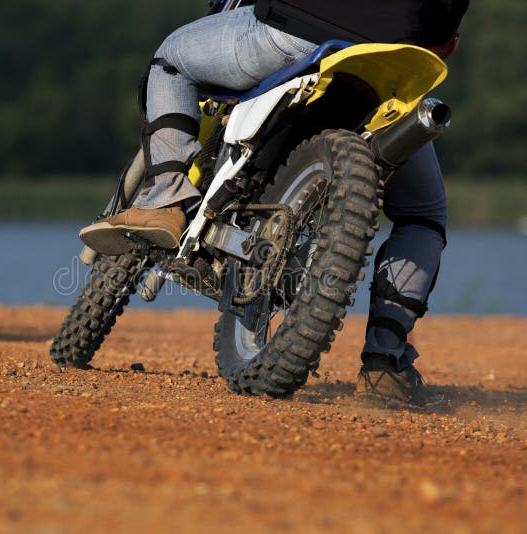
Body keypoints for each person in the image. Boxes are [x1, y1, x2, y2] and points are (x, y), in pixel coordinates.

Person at [80, 0, 469, 407]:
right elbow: (444, 42)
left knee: (172, 59)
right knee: (423, 215)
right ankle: (385, 362)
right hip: (390, 69)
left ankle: (167, 198)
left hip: (295, 32)